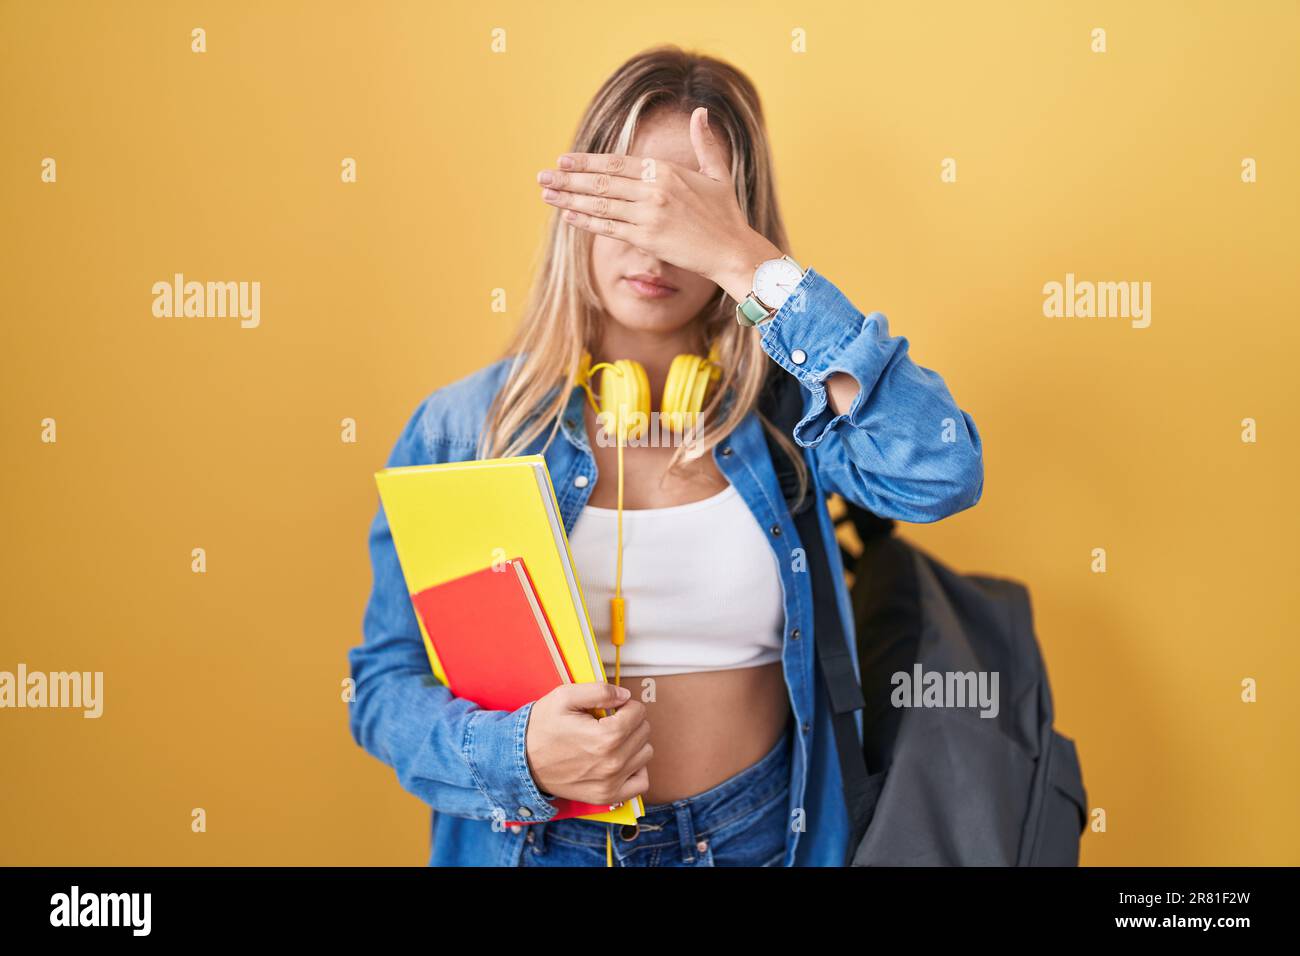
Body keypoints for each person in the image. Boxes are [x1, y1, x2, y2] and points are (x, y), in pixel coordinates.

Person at [348, 45, 983, 866]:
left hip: (761, 837)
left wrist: (749, 266)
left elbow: (940, 471)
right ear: (578, 202)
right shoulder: (463, 427)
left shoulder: (793, 418)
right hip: (539, 844)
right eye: (632, 203)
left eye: (685, 214)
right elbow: (382, 686)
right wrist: (515, 754)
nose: (653, 250)